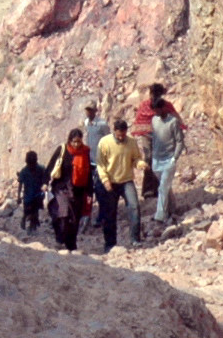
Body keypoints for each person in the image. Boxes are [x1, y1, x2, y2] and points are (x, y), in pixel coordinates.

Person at [95, 116, 145, 252]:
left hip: (126, 181)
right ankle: (110, 244)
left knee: (134, 207)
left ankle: (135, 240)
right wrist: (105, 180)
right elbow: (100, 164)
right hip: (110, 182)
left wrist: (140, 164)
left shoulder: (132, 142)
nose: (121, 137)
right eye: (119, 135)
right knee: (109, 213)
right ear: (114, 132)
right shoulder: (104, 142)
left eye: (123, 135)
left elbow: (136, 158)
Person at [46, 128, 94, 251]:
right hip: (61, 188)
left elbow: (88, 173)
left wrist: (89, 191)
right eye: (74, 142)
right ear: (69, 141)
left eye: (79, 142)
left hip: (78, 191)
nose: (76, 144)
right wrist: (45, 182)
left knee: (75, 219)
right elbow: (51, 166)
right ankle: (60, 239)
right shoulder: (63, 150)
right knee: (63, 214)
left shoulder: (85, 152)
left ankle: (71, 244)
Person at [132, 83, 174, 200]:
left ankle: (161, 188)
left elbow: (173, 118)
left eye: (156, 94)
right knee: (149, 159)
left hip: (161, 137)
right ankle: (148, 190)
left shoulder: (165, 105)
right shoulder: (144, 105)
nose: (153, 97)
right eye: (152, 94)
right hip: (147, 136)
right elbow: (140, 120)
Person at [149, 99, 185, 227]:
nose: (156, 112)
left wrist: (175, 158)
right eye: (154, 110)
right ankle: (172, 209)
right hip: (157, 160)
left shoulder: (173, 121)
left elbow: (180, 141)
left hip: (169, 159)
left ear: (163, 108)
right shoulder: (154, 120)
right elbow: (154, 138)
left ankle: (160, 216)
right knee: (165, 186)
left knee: (163, 187)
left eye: (158, 109)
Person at [16, 151, 47, 233]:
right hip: (28, 196)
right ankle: (24, 219)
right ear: (27, 163)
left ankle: (32, 226)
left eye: (33, 164)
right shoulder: (24, 171)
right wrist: (18, 197)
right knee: (27, 211)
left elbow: (46, 179)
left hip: (37, 195)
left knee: (35, 211)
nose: (31, 166)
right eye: (30, 164)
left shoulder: (41, 169)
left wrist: (45, 185)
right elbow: (20, 184)